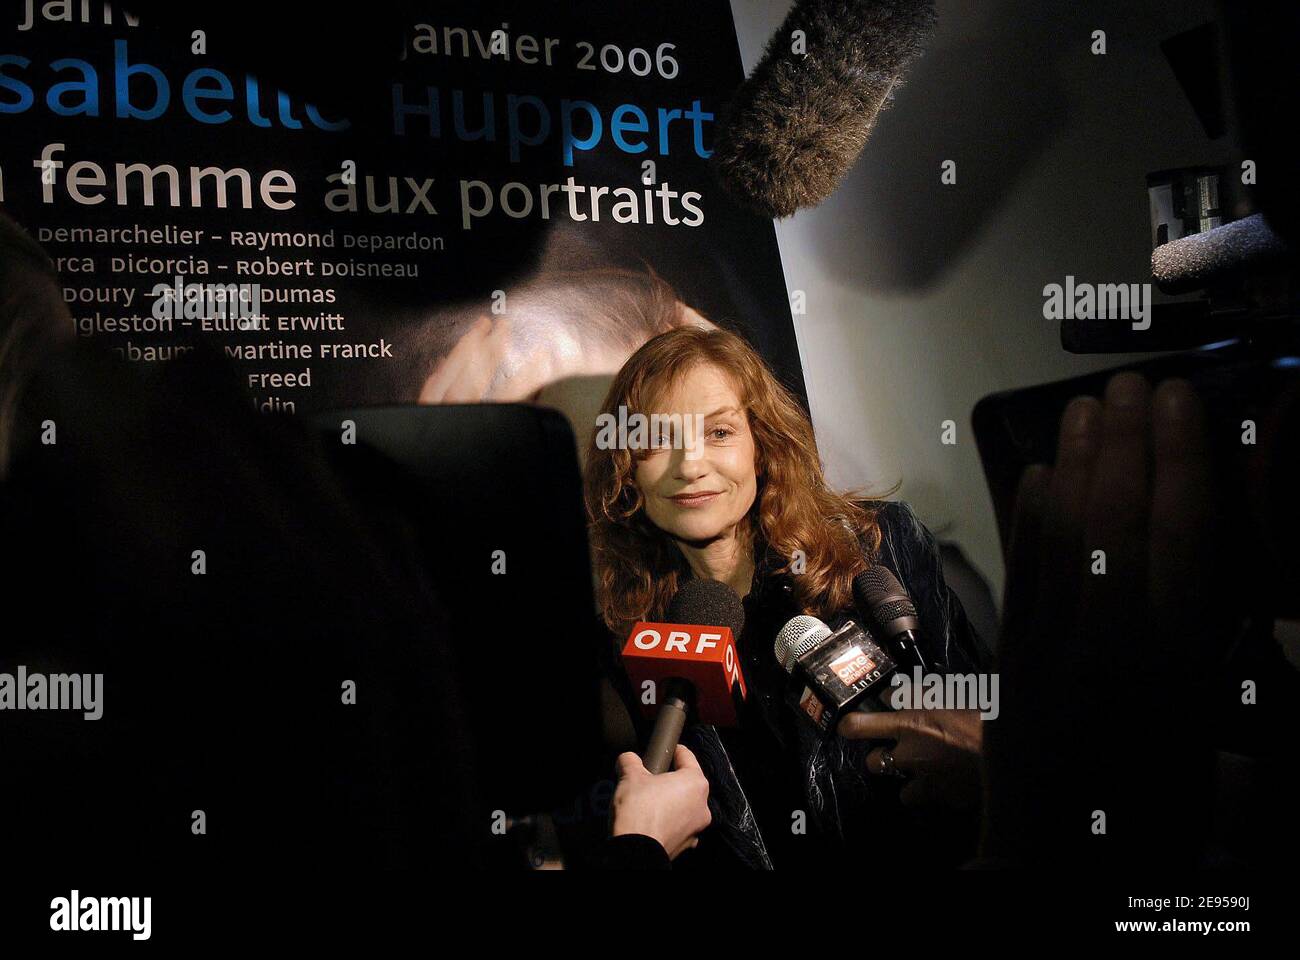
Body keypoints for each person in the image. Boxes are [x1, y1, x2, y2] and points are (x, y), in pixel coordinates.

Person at [583, 325, 990, 869]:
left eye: (719, 433)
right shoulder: (626, 631)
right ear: (627, 467)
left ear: (763, 445)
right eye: (656, 441)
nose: (690, 465)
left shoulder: (878, 547)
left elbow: (984, 719)